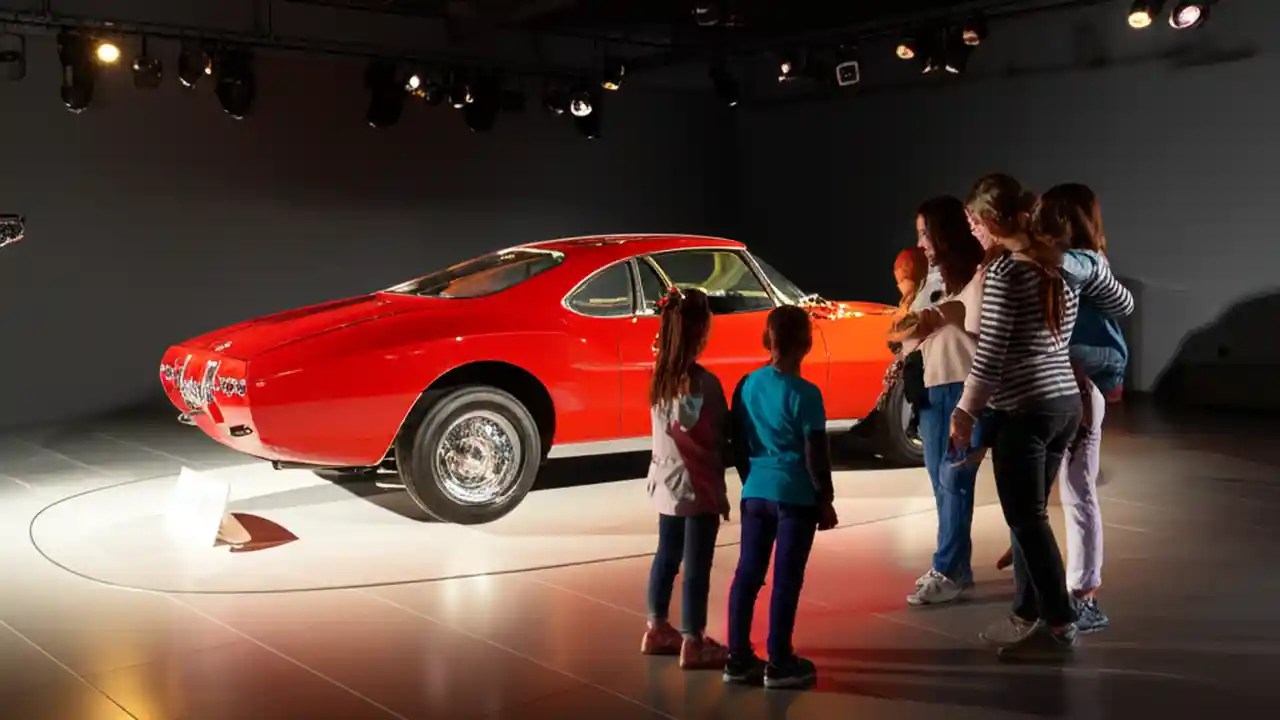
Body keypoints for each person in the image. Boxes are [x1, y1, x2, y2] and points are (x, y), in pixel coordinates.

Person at [954, 174, 1133, 661]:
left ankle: (1057, 622)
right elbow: (1124, 304)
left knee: (1027, 519)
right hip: (1063, 407)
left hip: (1028, 410)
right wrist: (1088, 267)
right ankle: (1034, 615)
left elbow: (990, 355)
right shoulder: (1061, 267)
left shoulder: (1009, 273)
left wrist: (964, 412)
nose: (972, 230)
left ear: (992, 220)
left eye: (973, 221)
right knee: (1032, 518)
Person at [724, 305, 839, 690]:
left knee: (747, 575)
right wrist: (825, 498)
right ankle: (779, 660)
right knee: (786, 580)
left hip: (755, 492)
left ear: (767, 340)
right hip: (795, 498)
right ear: (806, 344)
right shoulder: (808, 395)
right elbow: (815, 454)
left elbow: (737, 442)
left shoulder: (747, 385)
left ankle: (737, 658)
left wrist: (750, 479)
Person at [891, 196, 987, 606]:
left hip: (969, 387)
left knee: (955, 479)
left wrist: (940, 316)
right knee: (940, 483)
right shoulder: (931, 275)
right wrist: (902, 342)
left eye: (925, 233)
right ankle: (956, 568)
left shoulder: (979, 272)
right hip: (932, 387)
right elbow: (912, 333)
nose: (922, 243)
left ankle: (947, 568)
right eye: (918, 235)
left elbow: (978, 324)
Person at [640, 288, 731, 670]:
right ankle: (693, 639)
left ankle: (657, 626)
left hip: (665, 482)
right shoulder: (703, 383)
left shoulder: (660, 378)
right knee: (697, 565)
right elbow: (711, 434)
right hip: (697, 486)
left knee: (667, 555)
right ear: (702, 331)